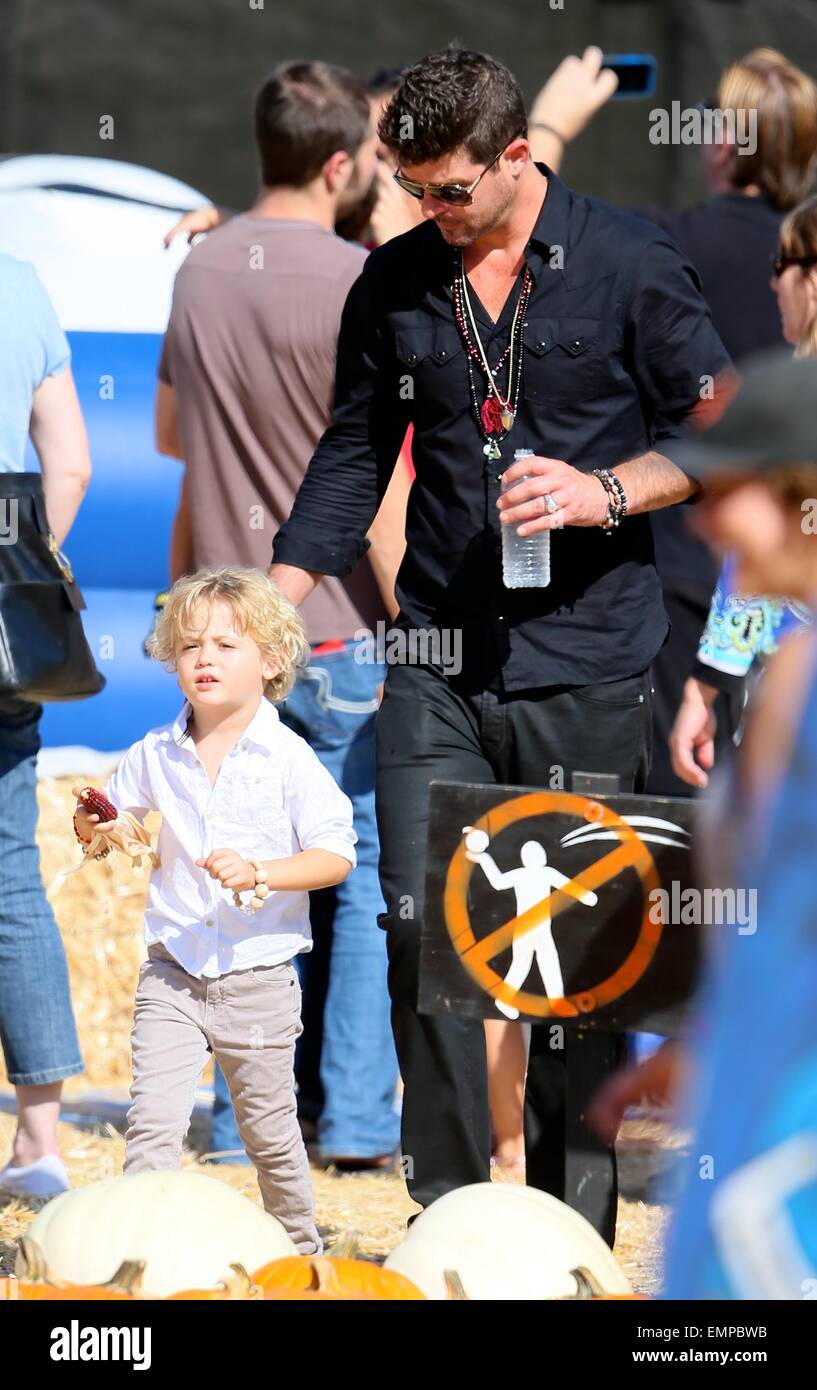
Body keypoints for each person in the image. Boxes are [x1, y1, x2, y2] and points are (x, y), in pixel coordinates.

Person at [268, 46, 730, 1242]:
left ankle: (572, 1223)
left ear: (515, 156)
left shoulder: (627, 259)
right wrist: (276, 590)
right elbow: (353, 454)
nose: (429, 213)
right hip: (435, 653)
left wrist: (603, 495)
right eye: (412, 190)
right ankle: (455, 1213)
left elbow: (715, 435)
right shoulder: (395, 281)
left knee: (571, 954)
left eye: (449, 192)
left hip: (588, 657)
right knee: (422, 916)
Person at [155, 61, 406, 1169]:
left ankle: (249, 1119)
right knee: (346, 871)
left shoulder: (199, 270)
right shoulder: (364, 278)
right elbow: (385, 480)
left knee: (234, 877)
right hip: (342, 622)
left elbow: (171, 440)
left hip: (220, 631)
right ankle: (352, 1119)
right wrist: (419, 629)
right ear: (344, 161)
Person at [528, 44, 817, 797]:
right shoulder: (799, 243)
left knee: (678, 795)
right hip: (768, 578)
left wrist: (550, 126)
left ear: (723, 141)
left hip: (686, 561)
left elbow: (540, 224)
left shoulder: (655, 245)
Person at [593, 352, 817, 1297]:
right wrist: (696, 1055)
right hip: (750, 1100)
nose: (701, 517)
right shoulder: (794, 669)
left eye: (727, 487)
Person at [72, 566, 358, 1252]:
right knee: (153, 1125)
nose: (205, 658)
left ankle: (299, 1253)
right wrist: (98, 827)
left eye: (227, 645)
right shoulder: (152, 755)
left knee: (268, 1133)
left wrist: (263, 871)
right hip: (172, 973)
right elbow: (111, 831)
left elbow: (336, 855)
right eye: (191, 643)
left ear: (273, 660)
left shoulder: (289, 760)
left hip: (257, 981)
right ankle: (138, 1255)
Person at [672, 192, 817, 788]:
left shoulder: (793, 409)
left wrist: (708, 681)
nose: (772, 282)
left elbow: (761, 564)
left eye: (782, 264)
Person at [0, 254, 92, 1198]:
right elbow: (70, 460)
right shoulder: (21, 284)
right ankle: (39, 1144)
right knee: (11, 880)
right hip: (4, 614)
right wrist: (24, 570)